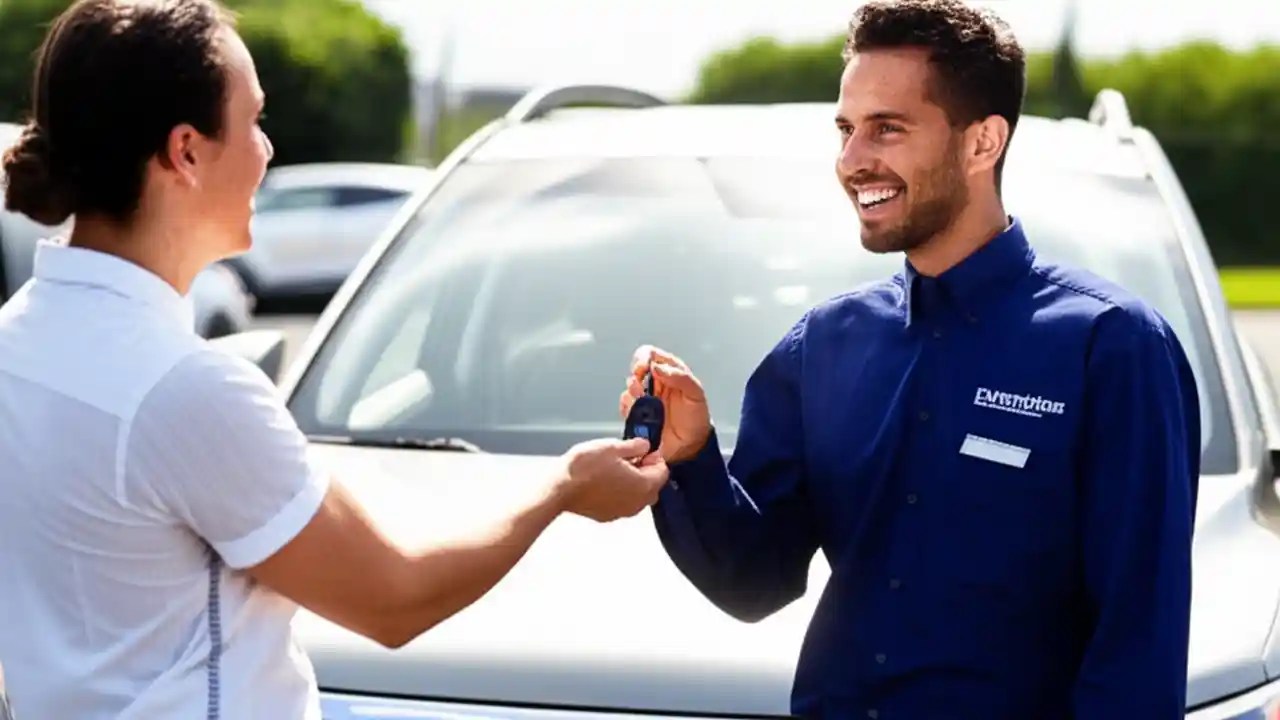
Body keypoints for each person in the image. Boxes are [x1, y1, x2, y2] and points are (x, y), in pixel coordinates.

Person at [0, 2, 668, 719]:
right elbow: (395, 599)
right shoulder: (182, 388)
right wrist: (562, 488)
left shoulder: (17, 340)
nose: (268, 150)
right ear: (186, 151)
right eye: (254, 120)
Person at [620, 1, 1201, 718]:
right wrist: (693, 458)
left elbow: (1137, 648)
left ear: (983, 142)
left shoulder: (1112, 347)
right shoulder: (821, 346)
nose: (853, 160)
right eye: (846, 129)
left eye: (887, 129)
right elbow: (753, 580)